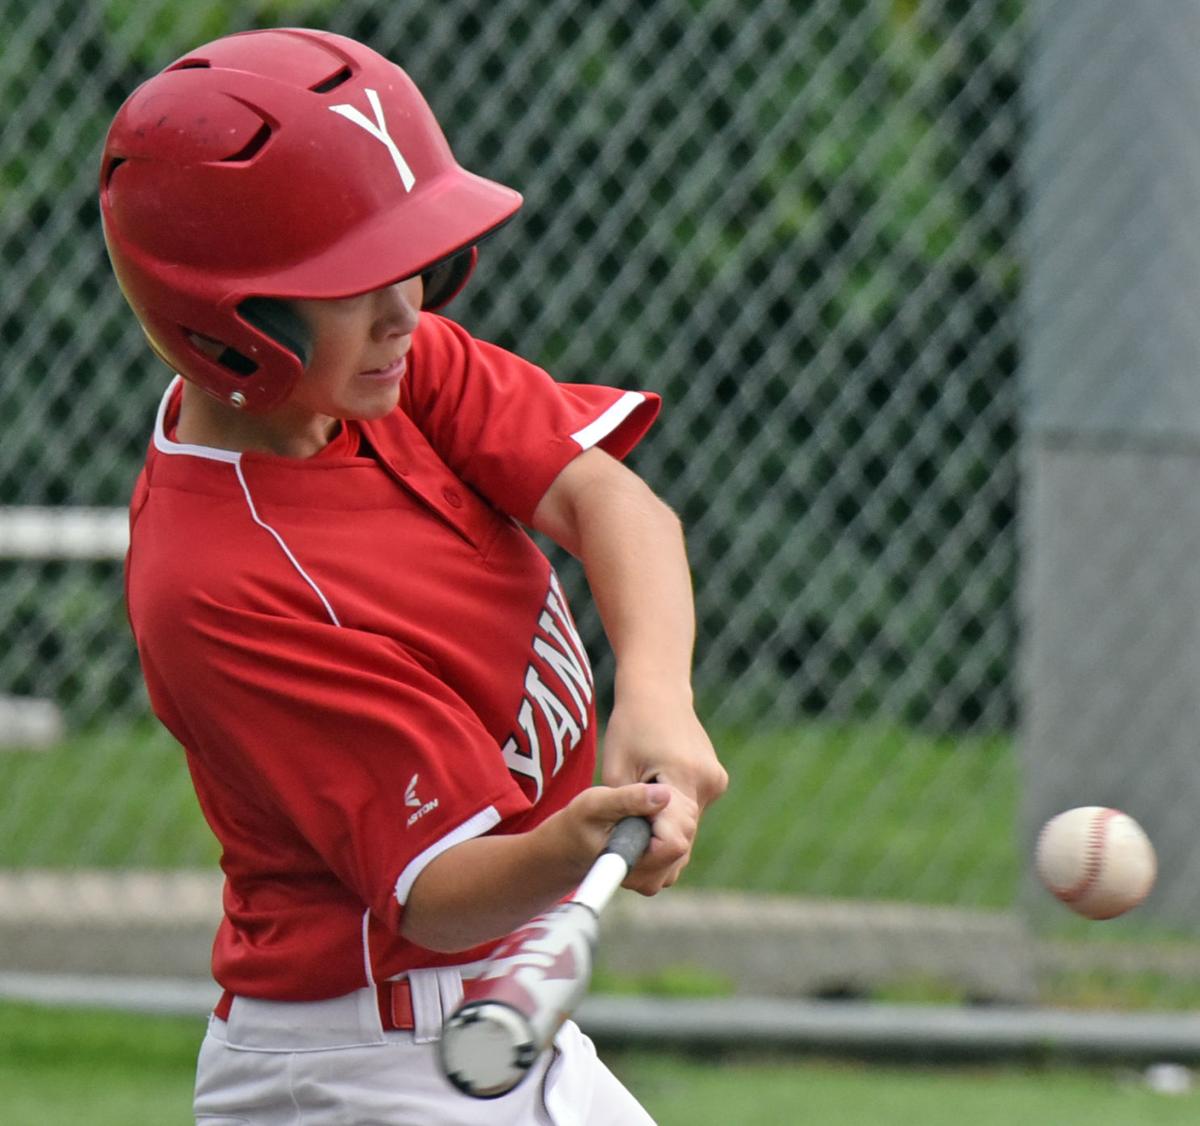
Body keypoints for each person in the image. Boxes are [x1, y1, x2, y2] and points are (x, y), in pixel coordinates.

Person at [100, 26, 727, 1126]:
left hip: (485, 1020)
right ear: (231, 321)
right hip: (365, 1067)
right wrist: (574, 843)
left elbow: (613, 503)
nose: (406, 308)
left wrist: (657, 695)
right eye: (355, 282)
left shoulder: (378, 377)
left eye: (409, 264)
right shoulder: (221, 580)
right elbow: (437, 896)